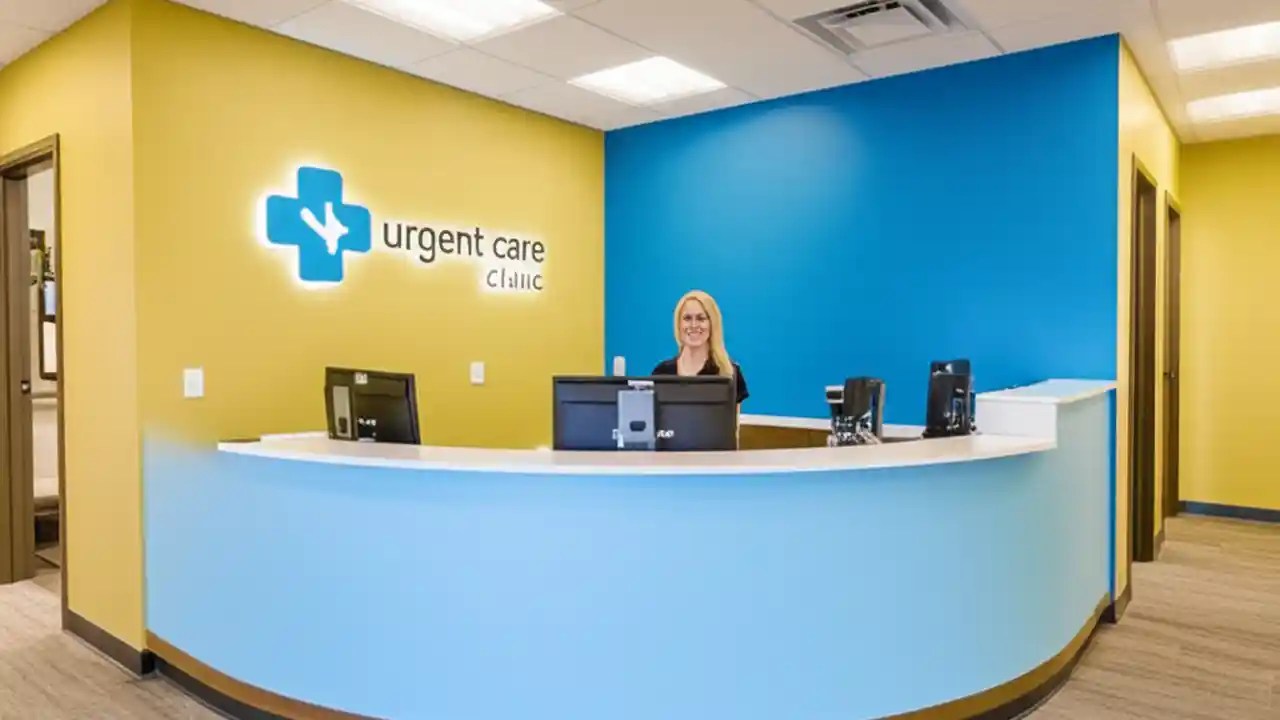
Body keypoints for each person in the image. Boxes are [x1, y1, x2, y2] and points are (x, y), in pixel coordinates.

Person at [652, 290, 748, 405]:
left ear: (712, 324)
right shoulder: (661, 373)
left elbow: (733, 422)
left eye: (701, 318)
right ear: (678, 324)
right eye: (687, 318)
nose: (693, 325)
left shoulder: (729, 373)